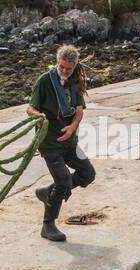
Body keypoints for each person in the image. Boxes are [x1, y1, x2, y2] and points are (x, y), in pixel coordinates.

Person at [28, 44, 96, 243]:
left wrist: (72, 126)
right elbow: (30, 108)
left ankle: (48, 192)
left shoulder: (75, 81)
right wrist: (39, 115)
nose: (65, 71)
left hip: (70, 140)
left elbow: (79, 109)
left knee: (88, 174)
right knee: (64, 181)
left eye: (69, 68)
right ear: (57, 63)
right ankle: (48, 225)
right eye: (62, 67)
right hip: (50, 142)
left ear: (75, 66)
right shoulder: (44, 81)